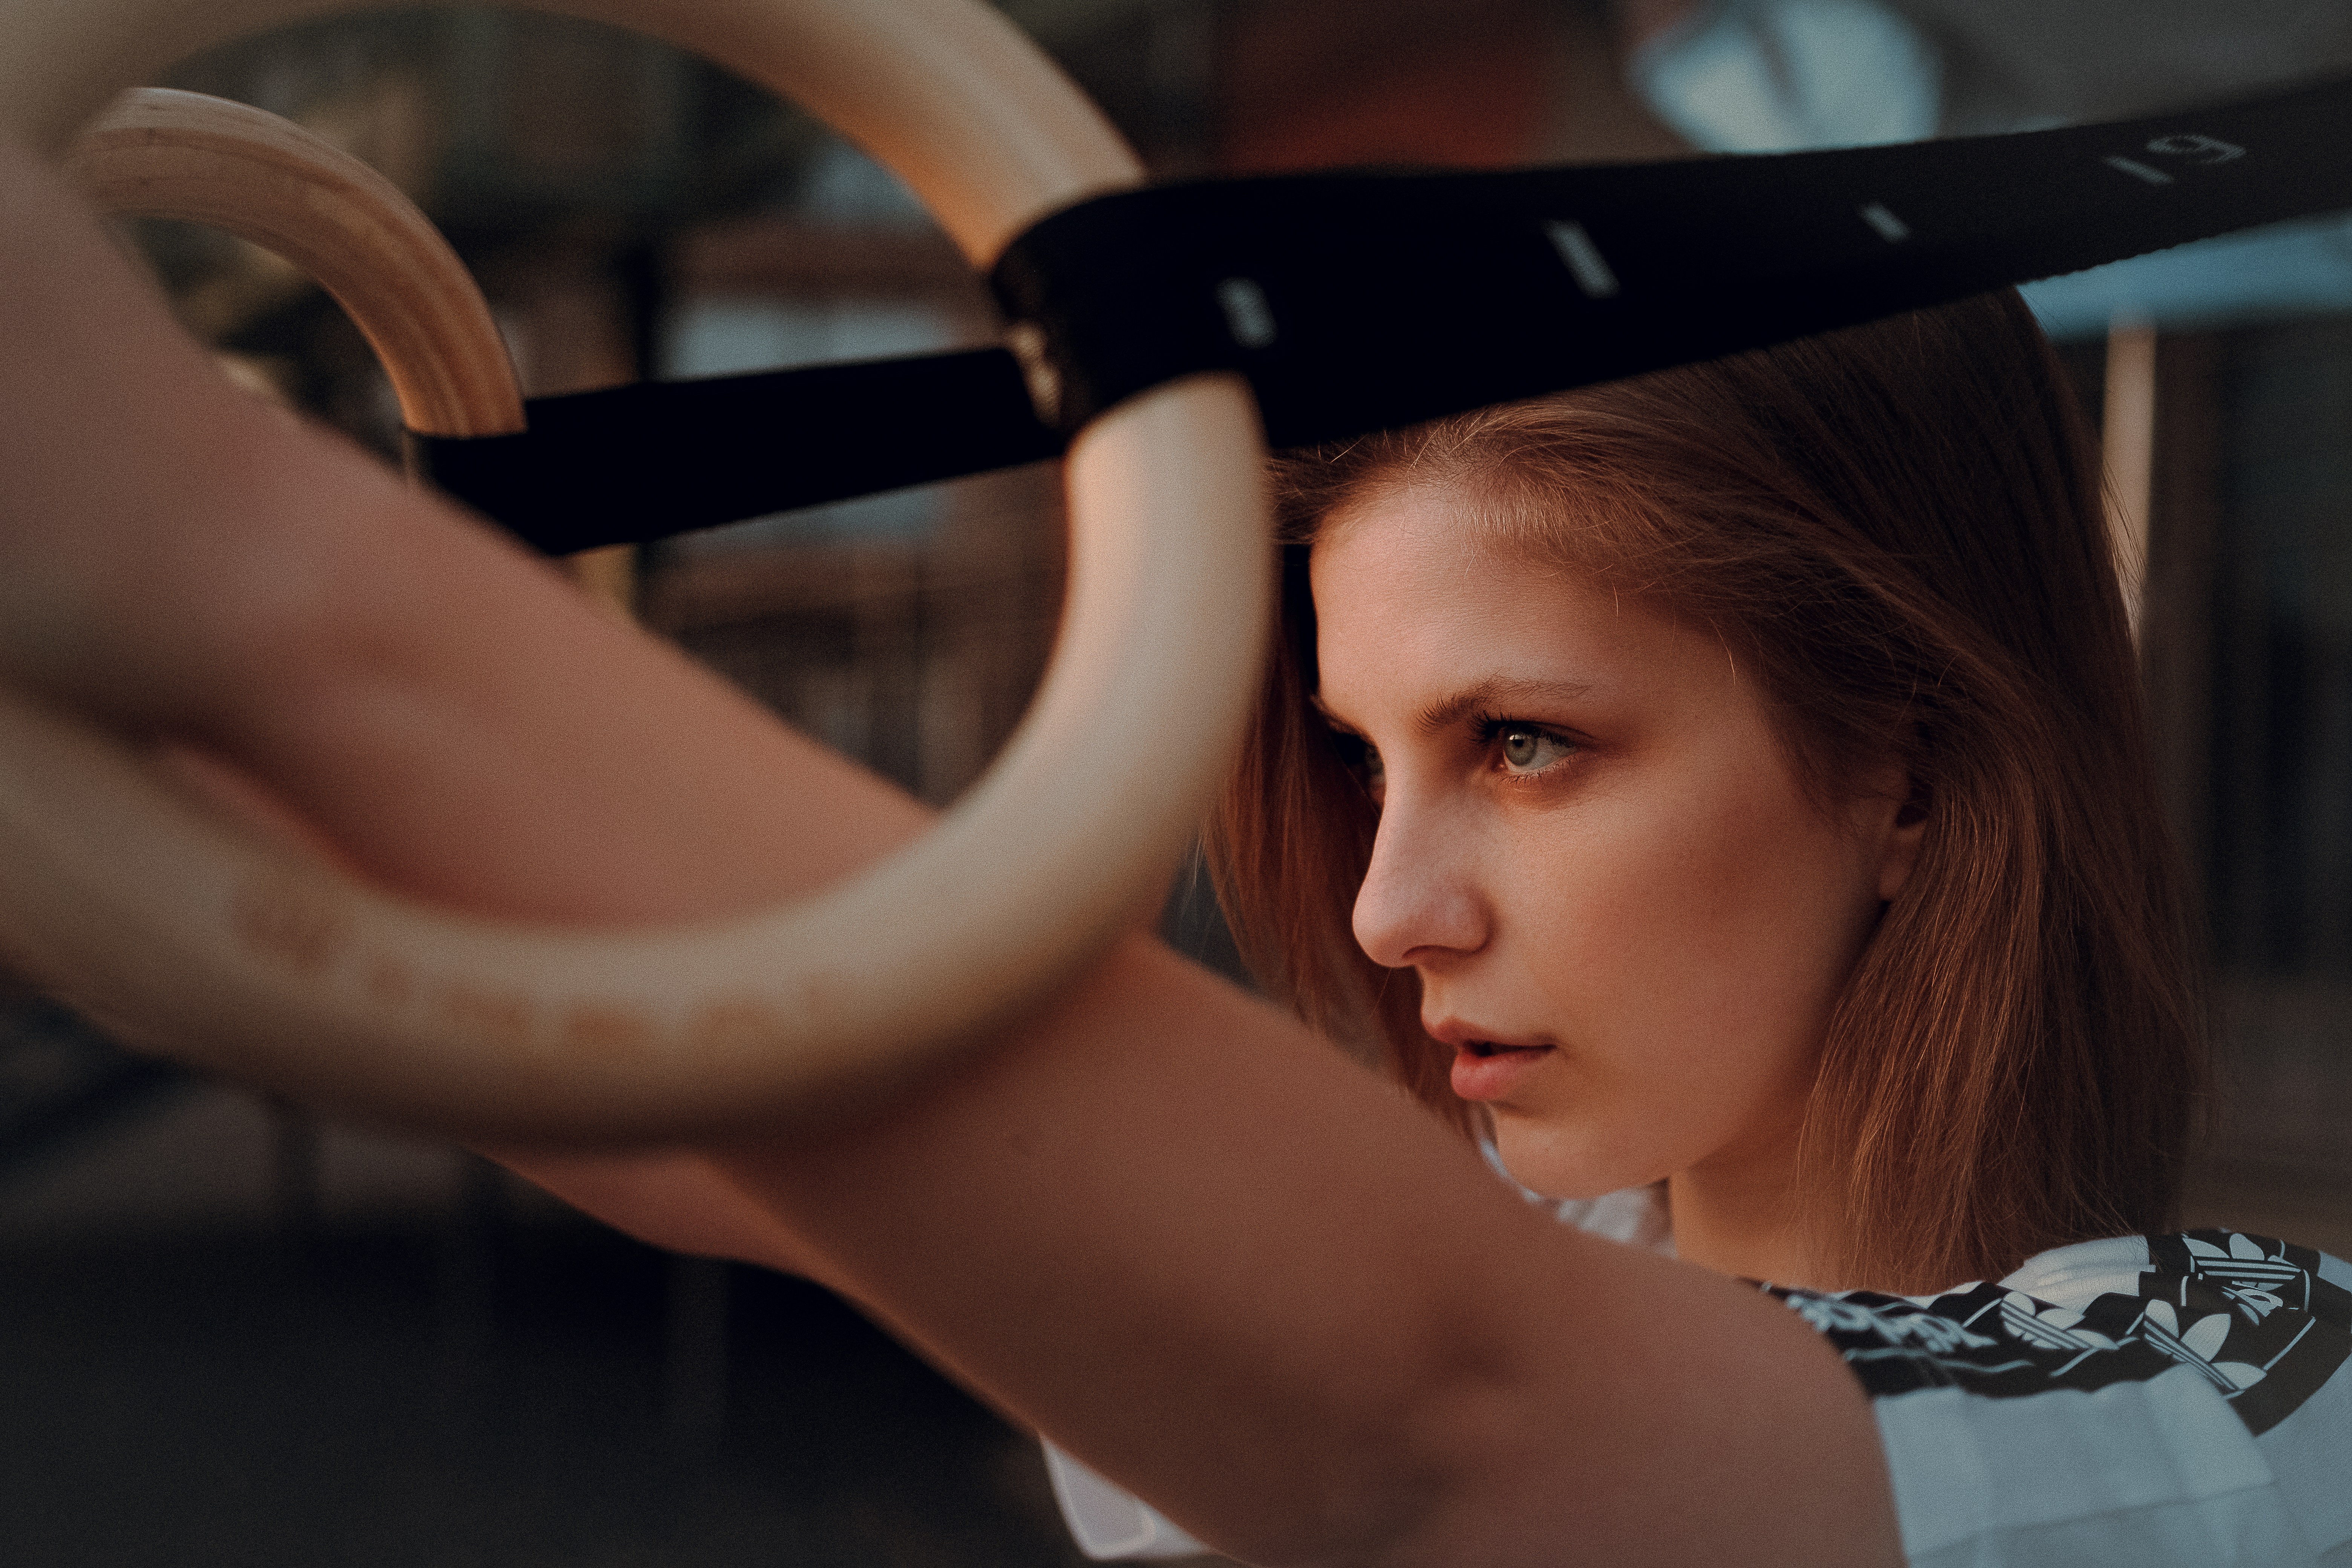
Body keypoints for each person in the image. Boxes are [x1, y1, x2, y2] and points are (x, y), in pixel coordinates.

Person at [2, 119, 2345, 1566]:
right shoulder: (1506, 1232)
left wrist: (246, 560)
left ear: (1913, 765)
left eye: (1526, 743)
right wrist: (100, 781)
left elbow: (1466, 1439)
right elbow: (697, 1097)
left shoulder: (2268, 1400)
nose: (1381, 907)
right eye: (1365, 758)